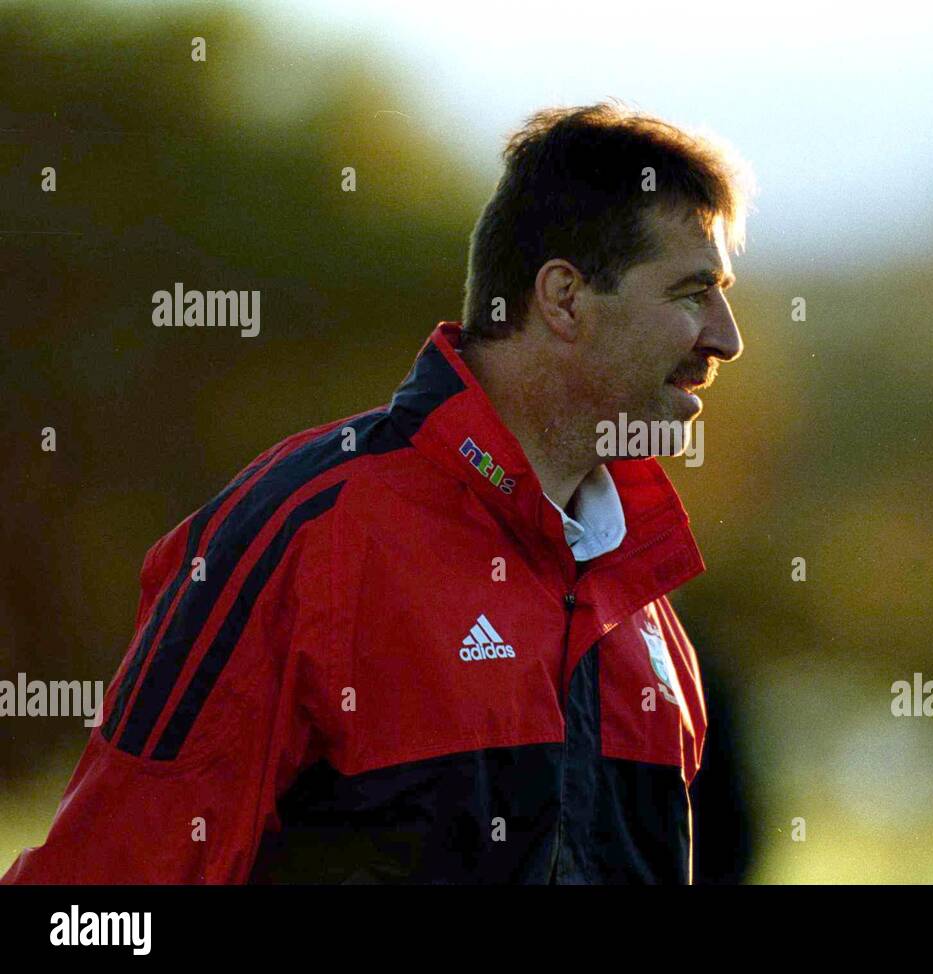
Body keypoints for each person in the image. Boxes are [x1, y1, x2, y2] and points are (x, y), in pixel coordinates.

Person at [2, 100, 753, 884]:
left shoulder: (645, 609)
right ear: (563, 298)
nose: (726, 338)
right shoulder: (305, 532)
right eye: (691, 292)